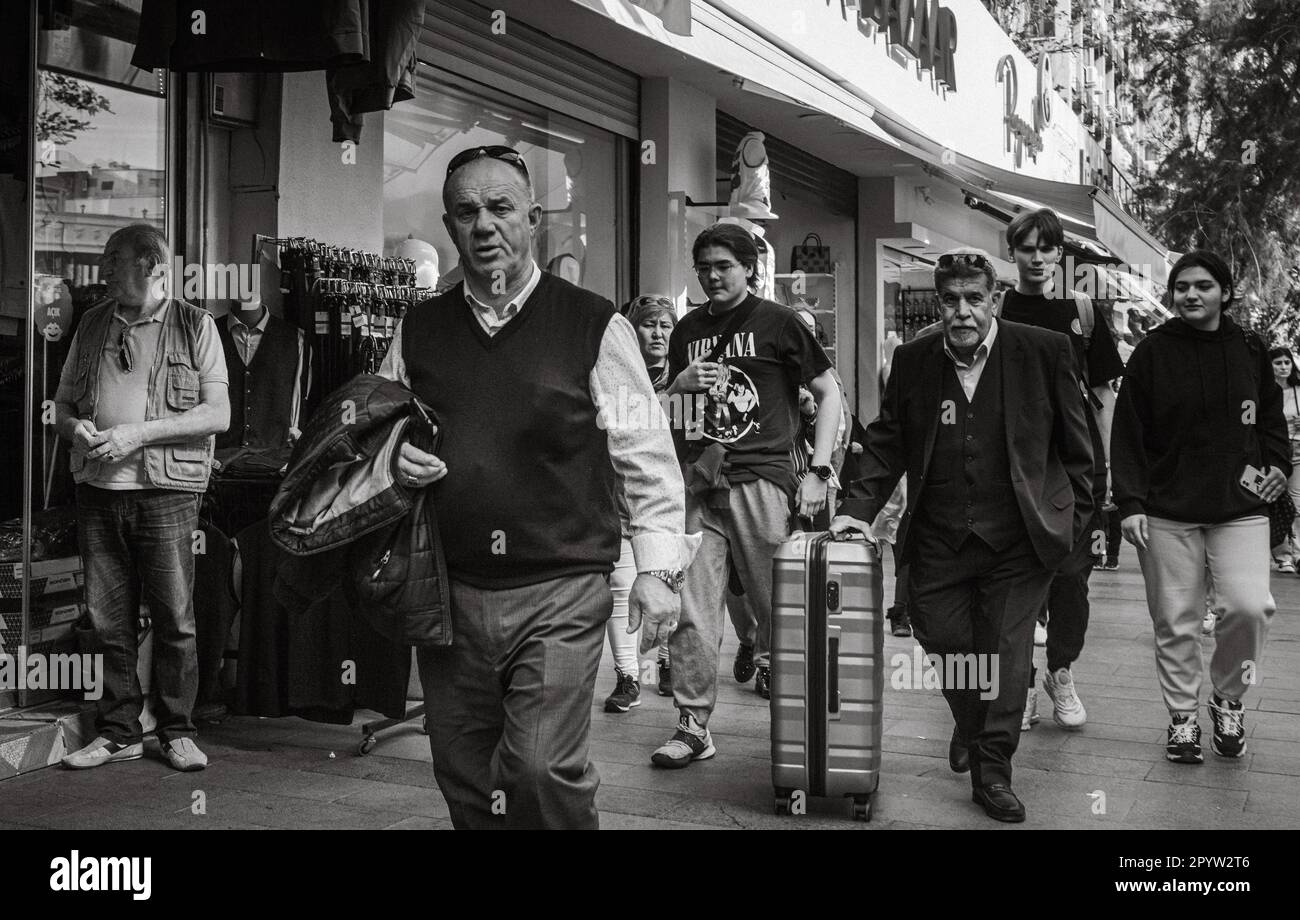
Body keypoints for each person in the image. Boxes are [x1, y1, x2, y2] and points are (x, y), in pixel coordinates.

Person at [378, 145, 697, 828]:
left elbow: (645, 453)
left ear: (532, 217)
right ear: (448, 224)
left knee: (538, 766)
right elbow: (383, 438)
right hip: (449, 590)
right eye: (466, 212)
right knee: (462, 770)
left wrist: (658, 569)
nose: (484, 225)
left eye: (499, 208)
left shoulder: (592, 324)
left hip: (561, 586)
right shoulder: (419, 329)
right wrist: (399, 460)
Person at [830, 248, 1094, 822]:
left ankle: (992, 771)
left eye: (975, 298)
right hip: (939, 536)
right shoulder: (915, 358)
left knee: (1004, 654)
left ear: (994, 300)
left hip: (1020, 539)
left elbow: (1079, 451)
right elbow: (888, 440)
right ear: (938, 303)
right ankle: (973, 726)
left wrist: (1073, 524)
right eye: (950, 299)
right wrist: (856, 510)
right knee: (942, 637)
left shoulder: (1043, 350)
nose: (962, 311)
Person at [649, 223, 841, 767]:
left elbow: (829, 394)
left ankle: (803, 720)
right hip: (700, 484)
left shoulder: (779, 321)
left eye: (723, 265)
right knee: (693, 608)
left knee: (777, 605)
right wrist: (676, 386)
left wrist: (818, 471)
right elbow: (669, 419)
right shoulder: (687, 329)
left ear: (749, 267)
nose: (712, 275)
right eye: (704, 266)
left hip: (762, 481)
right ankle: (692, 724)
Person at [55, 224, 230, 772]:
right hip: (99, 493)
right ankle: (119, 731)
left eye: (115, 260)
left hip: (165, 493)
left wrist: (138, 433)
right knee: (107, 621)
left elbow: (216, 415)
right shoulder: (90, 324)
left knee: (175, 618)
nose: (103, 271)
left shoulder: (194, 324)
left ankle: (177, 729)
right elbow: (60, 405)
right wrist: (75, 428)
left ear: (154, 266)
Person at [1112, 250, 1287, 764]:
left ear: (1225, 293)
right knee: (1176, 618)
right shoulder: (1151, 351)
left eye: (1204, 285)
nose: (1191, 294)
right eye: (1182, 286)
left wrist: (1278, 464)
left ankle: (1228, 699)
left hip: (1241, 506)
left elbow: (1271, 421)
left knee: (1250, 607)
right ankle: (1183, 718)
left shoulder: (1251, 349)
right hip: (1167, 508)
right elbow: (1128, 433)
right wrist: (1129, 502)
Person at [998, 208, 1124, 731]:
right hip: (1014, 464)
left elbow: (1104, 395)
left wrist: (1110, 466)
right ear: (1013, 253)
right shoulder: (997, 307)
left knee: (1072, 579)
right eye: (1026, 248)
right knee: (1016, 581)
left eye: (1045, 248)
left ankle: (1060, 671)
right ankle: (1022, 682)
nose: (1036, 257)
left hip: (1075, 466)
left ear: (1057, 253)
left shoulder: (1084, 311)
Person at [602, 294, 679, 711]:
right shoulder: (614, 371)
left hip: (663, 503)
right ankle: (627, 676)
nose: (658, 333)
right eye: (649, 324)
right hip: (616, 496)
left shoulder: (686, 375)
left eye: (666, 325)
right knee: (620, 586)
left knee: (665, 582)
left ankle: (666, 663)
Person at [1267, 345, 1300, 573]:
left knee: (1297, 505)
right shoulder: (1263, 392)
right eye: (1278, 363)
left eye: (1287, 362)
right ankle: (1283, 556)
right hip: (1271, 454)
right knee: (1274, 503)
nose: (1283, 367)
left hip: (1297, 452)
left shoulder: (1298, 390)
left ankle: (1298, 554)